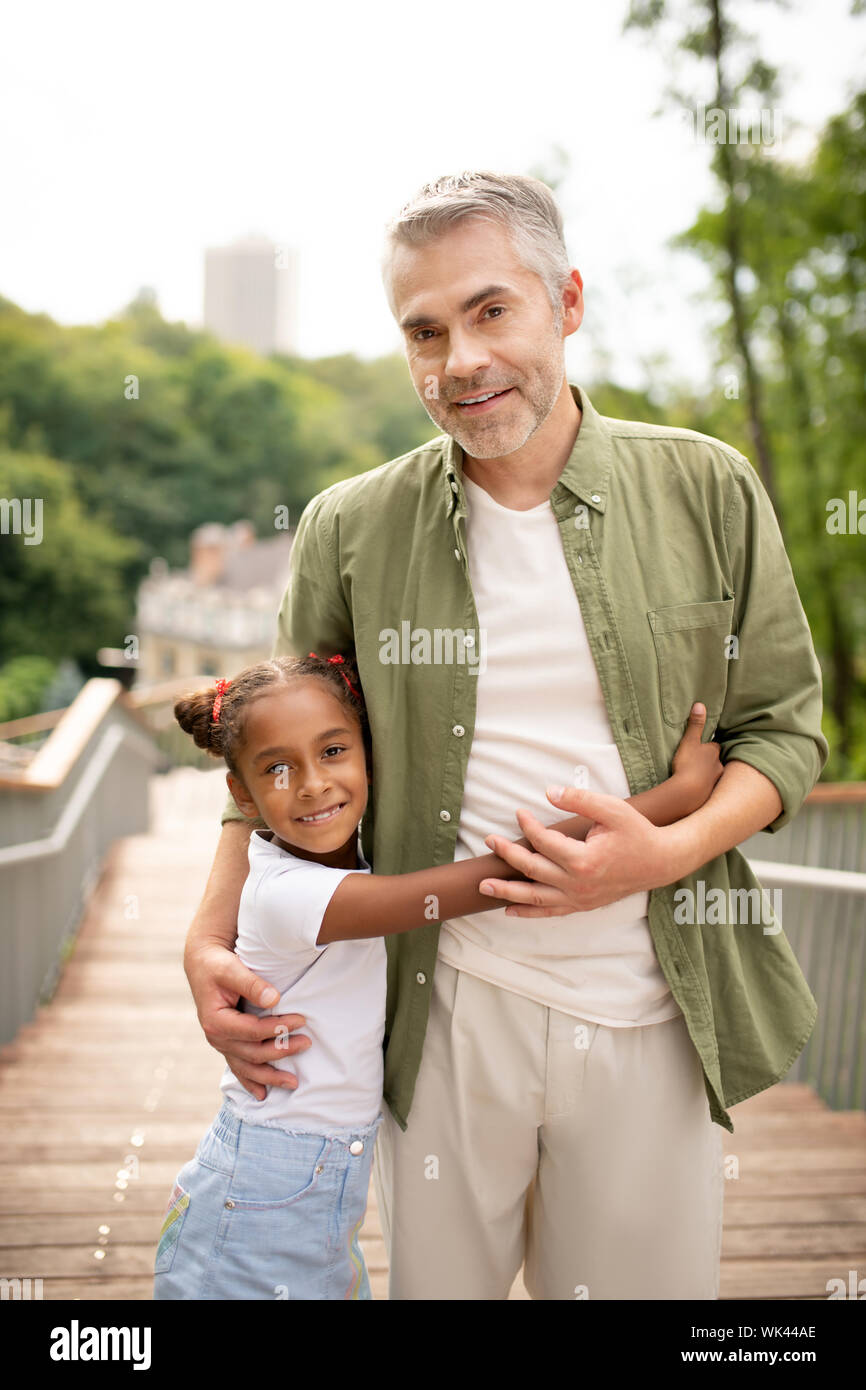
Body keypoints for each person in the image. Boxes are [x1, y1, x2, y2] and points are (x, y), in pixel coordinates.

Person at [182, 171, 828, 1300]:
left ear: (565, 302)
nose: (460, 361)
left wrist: (664, 849)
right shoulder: (347, 526)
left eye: (491, 311)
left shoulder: (705, 486)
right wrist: (204, 938)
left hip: (650, 1005)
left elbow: (783, 735)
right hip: (438, 1016)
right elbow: (262, 761)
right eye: (423, 331)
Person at [153, 652, 722, 1299]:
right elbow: (491, 874)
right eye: (277, 768)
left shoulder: (343, 864)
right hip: (263, 1195)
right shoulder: (287, 895)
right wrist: (676, 799)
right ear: (241, 794)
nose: (312, 783)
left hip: (309, 1187)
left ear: (370, 754)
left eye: (333, 751)